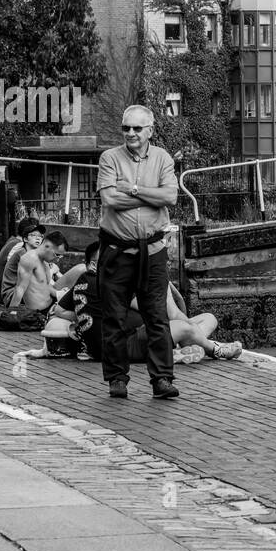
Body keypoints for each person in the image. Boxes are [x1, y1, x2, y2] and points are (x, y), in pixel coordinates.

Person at [97, 105, 179, 400]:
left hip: (153, 251)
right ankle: (117, 379)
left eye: (137, 128)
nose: (130, 133)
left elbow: (170, 196)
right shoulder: (109, 158)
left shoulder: (162, 158)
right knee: (114, 317)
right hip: (117, 250)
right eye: (126, 128)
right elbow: (109, 199)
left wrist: (131, 189)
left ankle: (162, 380)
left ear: (150, 131)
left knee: (157, 316)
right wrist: (149, 196)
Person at [52, 242, 241, 365]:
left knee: (206, 318)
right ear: (95, 265)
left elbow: (59, 309)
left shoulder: (83, 280)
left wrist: (86, 317)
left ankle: (186, 347)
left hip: (121, 340)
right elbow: (150, 311)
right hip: (126, 344)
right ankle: (215, 349)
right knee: (186, 328)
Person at [9, 230, 70, 311]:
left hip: (51, 303)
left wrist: (58, 293)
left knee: (80, 272)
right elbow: (20, 288)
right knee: (81, 268)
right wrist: (11, 313)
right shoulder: (30, 258)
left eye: (60, 257)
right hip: (39, 312)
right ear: (47, 246)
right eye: (57, 255)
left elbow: (44, 286)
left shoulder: (45, 261)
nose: (57, 260)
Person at [0, 217, 44, 306]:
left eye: (40, 236)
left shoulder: (13, 241)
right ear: (25, 236)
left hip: (4, 291)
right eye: (34, 234)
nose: (38, 238)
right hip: (9, 294)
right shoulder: (19, 247)